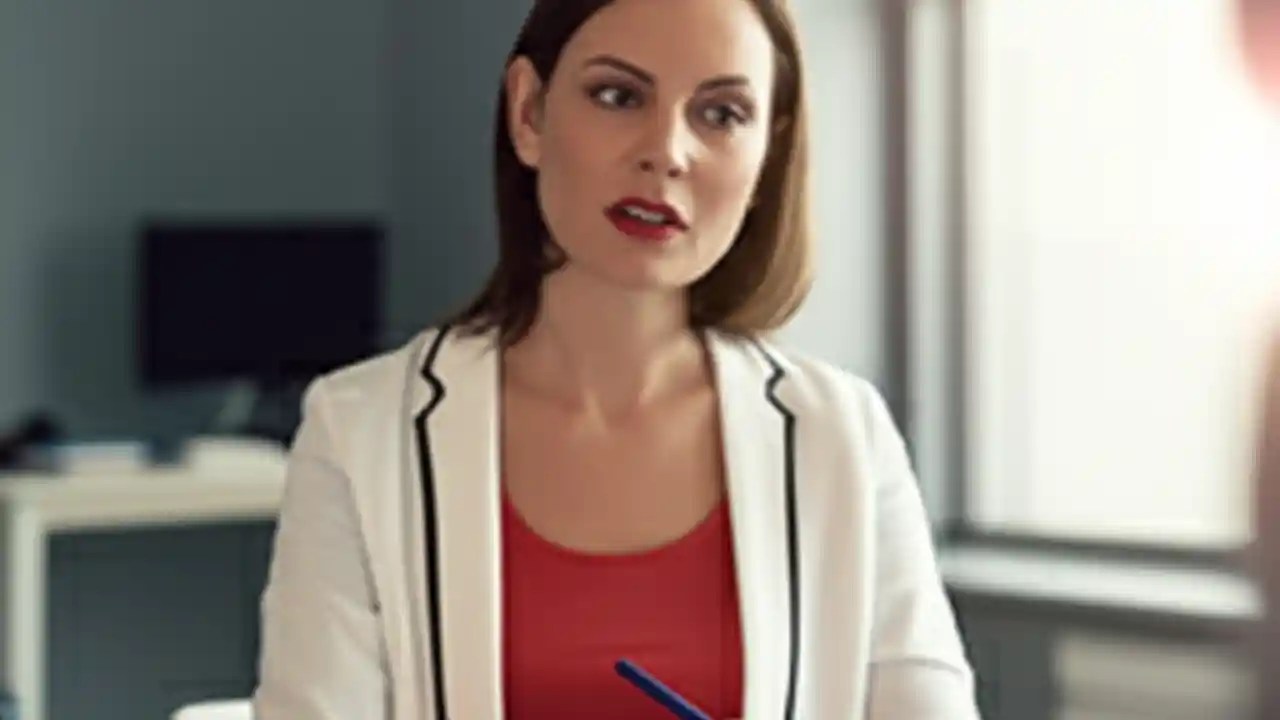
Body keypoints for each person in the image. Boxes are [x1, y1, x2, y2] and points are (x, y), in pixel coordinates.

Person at [251, 0, 979, 717]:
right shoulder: (360, 431)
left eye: (721, 114)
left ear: (767, 157)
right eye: (618, 96)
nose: (667, 150)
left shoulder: (841, 434)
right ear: (529, 114)